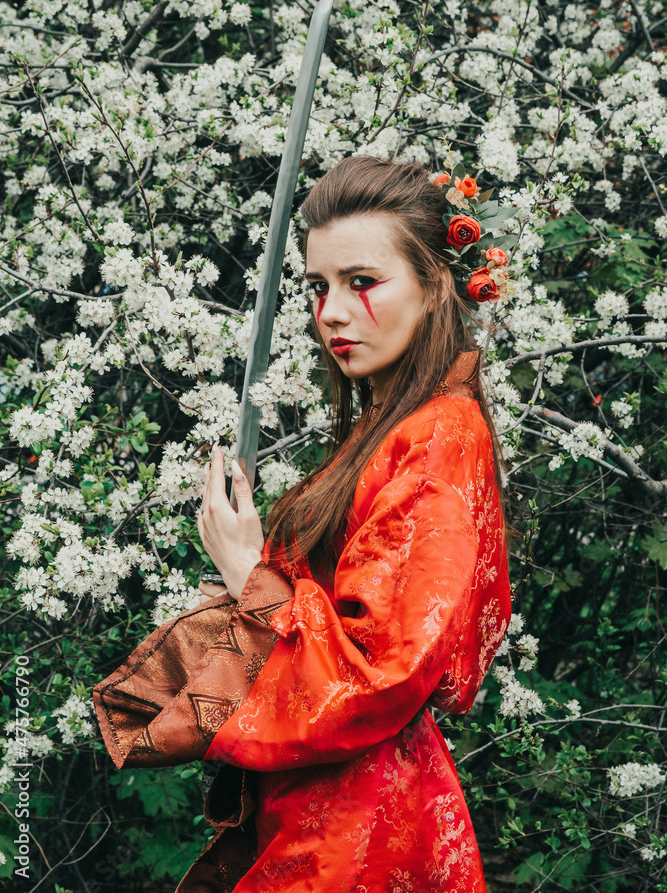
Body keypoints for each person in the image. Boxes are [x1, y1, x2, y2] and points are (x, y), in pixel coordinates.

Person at [94, 155, 512, 893]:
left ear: (434, 286)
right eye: (318, 287)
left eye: (363, 282)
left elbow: (379, 673)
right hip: (326, 807)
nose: (333, 313)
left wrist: (246, 572)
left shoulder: (440, 434)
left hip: (358, 826)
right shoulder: (390, 426)